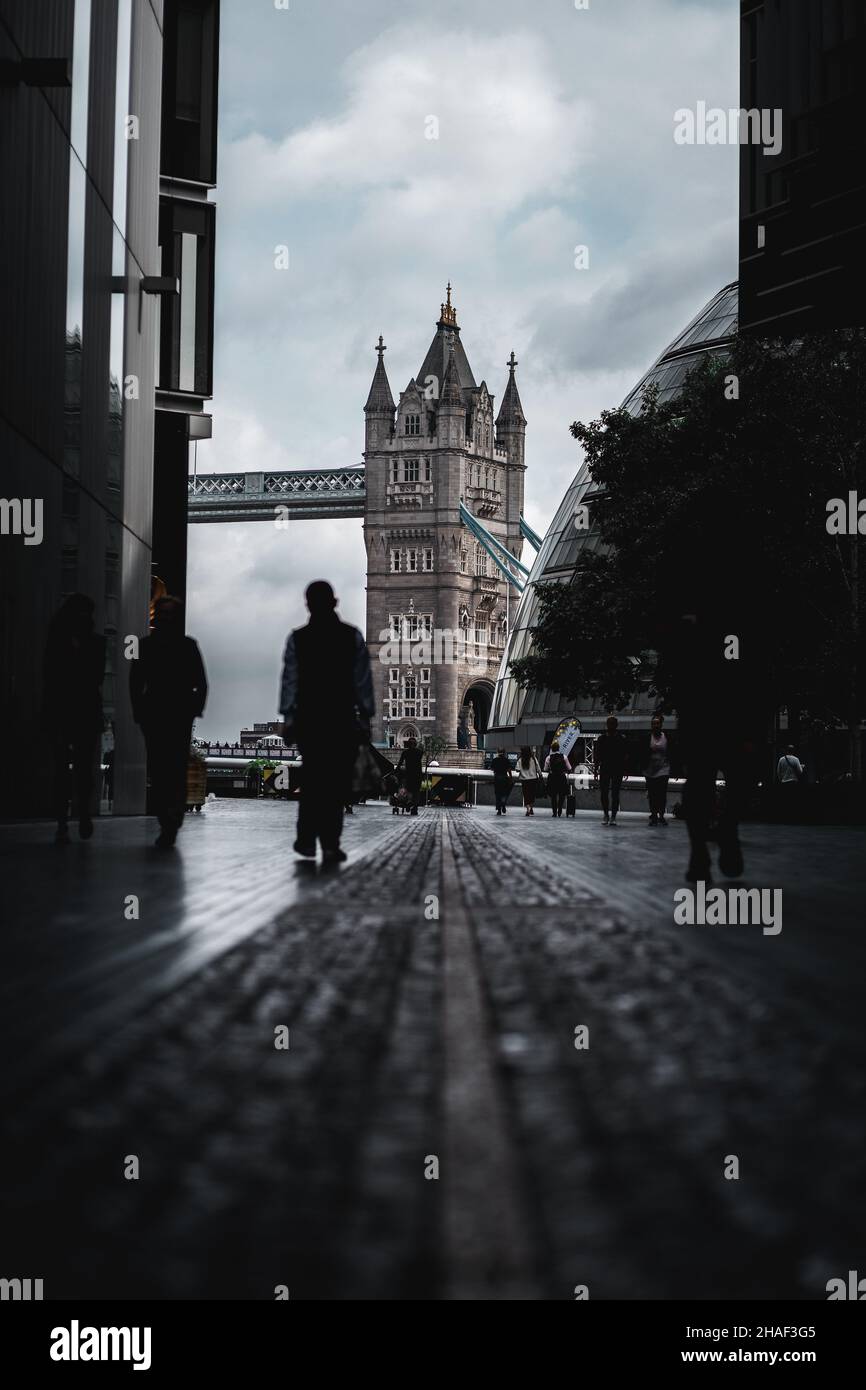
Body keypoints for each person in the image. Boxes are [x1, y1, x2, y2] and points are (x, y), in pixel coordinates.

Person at [279, 580, 374, 864]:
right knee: (335, 784)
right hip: (341, 720)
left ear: (308, 604)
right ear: (335, 602)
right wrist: (366, 717)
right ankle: (330, 843)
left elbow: (290, 681)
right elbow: (362, 681)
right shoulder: (352, 636)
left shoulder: (298, 639)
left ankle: (307, 839)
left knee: (312, 780)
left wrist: (288, 717)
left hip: (310, 720)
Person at [130, 596, 208, 850]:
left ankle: (169, 819)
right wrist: (195, 708)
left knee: (166, 768)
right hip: (171, 715)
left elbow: (135, 682)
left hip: (164, 714)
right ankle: (171, 818)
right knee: (167, 769)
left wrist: (139, 711)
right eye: (162, 613)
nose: (164, 617)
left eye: (168, 613)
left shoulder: (146, 646)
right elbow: (201, 683)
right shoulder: (186, 646)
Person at [44, 593, 106, 842]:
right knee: (78, 767)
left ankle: (69, 818)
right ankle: (75, 816)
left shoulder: (57, 642)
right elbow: (96, 679)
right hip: (82, 709)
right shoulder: (96, 643)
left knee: (69, 767)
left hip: (67, 709)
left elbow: (49, 677)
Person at [594, 715, 628, 826]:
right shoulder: (607, 739)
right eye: (610, 724)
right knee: (606, 793)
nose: (611, 726)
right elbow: (598, 755)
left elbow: (624, 755)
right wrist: (595, 768)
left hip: (614, 768)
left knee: (614, 793)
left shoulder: (617, 739)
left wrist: (596, 769)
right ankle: (608, 815)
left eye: (612, 724)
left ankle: (611, 816)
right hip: (609, 768)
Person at [645, 713, 671, 825]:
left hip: (663, 769)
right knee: (652, 794)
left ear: (661, 725)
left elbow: (672, 752)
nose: (655, 725)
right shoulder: (647, 738)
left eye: (657, 723)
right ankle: (654, 815)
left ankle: (661, 815)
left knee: (662, 793)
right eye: (653, 724)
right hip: (650, 770)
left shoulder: (666, 737)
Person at [543, 739, 571, 817]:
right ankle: (560, 809)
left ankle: (554, 812)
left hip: (552, 778)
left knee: (553, 796)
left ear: (552, 749)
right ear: (559, 748)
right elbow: (569, 768)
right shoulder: (564, 757)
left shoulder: (549, 758)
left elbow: (545, 769)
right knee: (562, 795)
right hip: (562, 777)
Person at [395, 736, 423, 815]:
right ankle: (415, 808)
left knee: (409, 790)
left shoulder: (405, 753)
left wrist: (396, 771)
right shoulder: (419, 752)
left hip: (409, 774)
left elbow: (400, 763)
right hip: (417, 775)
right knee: (416, 792)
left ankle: (409, 802)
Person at [776, 744, 804, 821]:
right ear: (793, 751)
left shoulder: (781, 759)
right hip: (793, 783)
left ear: (786, 751)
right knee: (793, 801)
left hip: (784, 783)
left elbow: (778, 772)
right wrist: (801, 767)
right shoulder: (796, 759)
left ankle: (784, 817)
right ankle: (792, 818)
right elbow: (800, 772)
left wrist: (781, 780)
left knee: (784, 801)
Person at [515, 746, 543, 817]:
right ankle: (531, 808)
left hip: (524, 780)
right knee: (532, 794)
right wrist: (540, 775)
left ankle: (527, 809)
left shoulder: (520, 760)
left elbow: (517, 769)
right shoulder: (533, 758)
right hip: (533, 779)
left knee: (526, 794)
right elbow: (538, 768)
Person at [491, 750, 512, 815]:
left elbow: (492, 769)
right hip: (504, 778)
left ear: (498, 753)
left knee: (497, 794)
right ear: (504, 753)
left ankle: (499, 810)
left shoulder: (495, 760)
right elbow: (509, 770)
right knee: (504, 793)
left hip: (497, 778)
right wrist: (511, 777)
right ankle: (503, 804)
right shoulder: (506, 760)